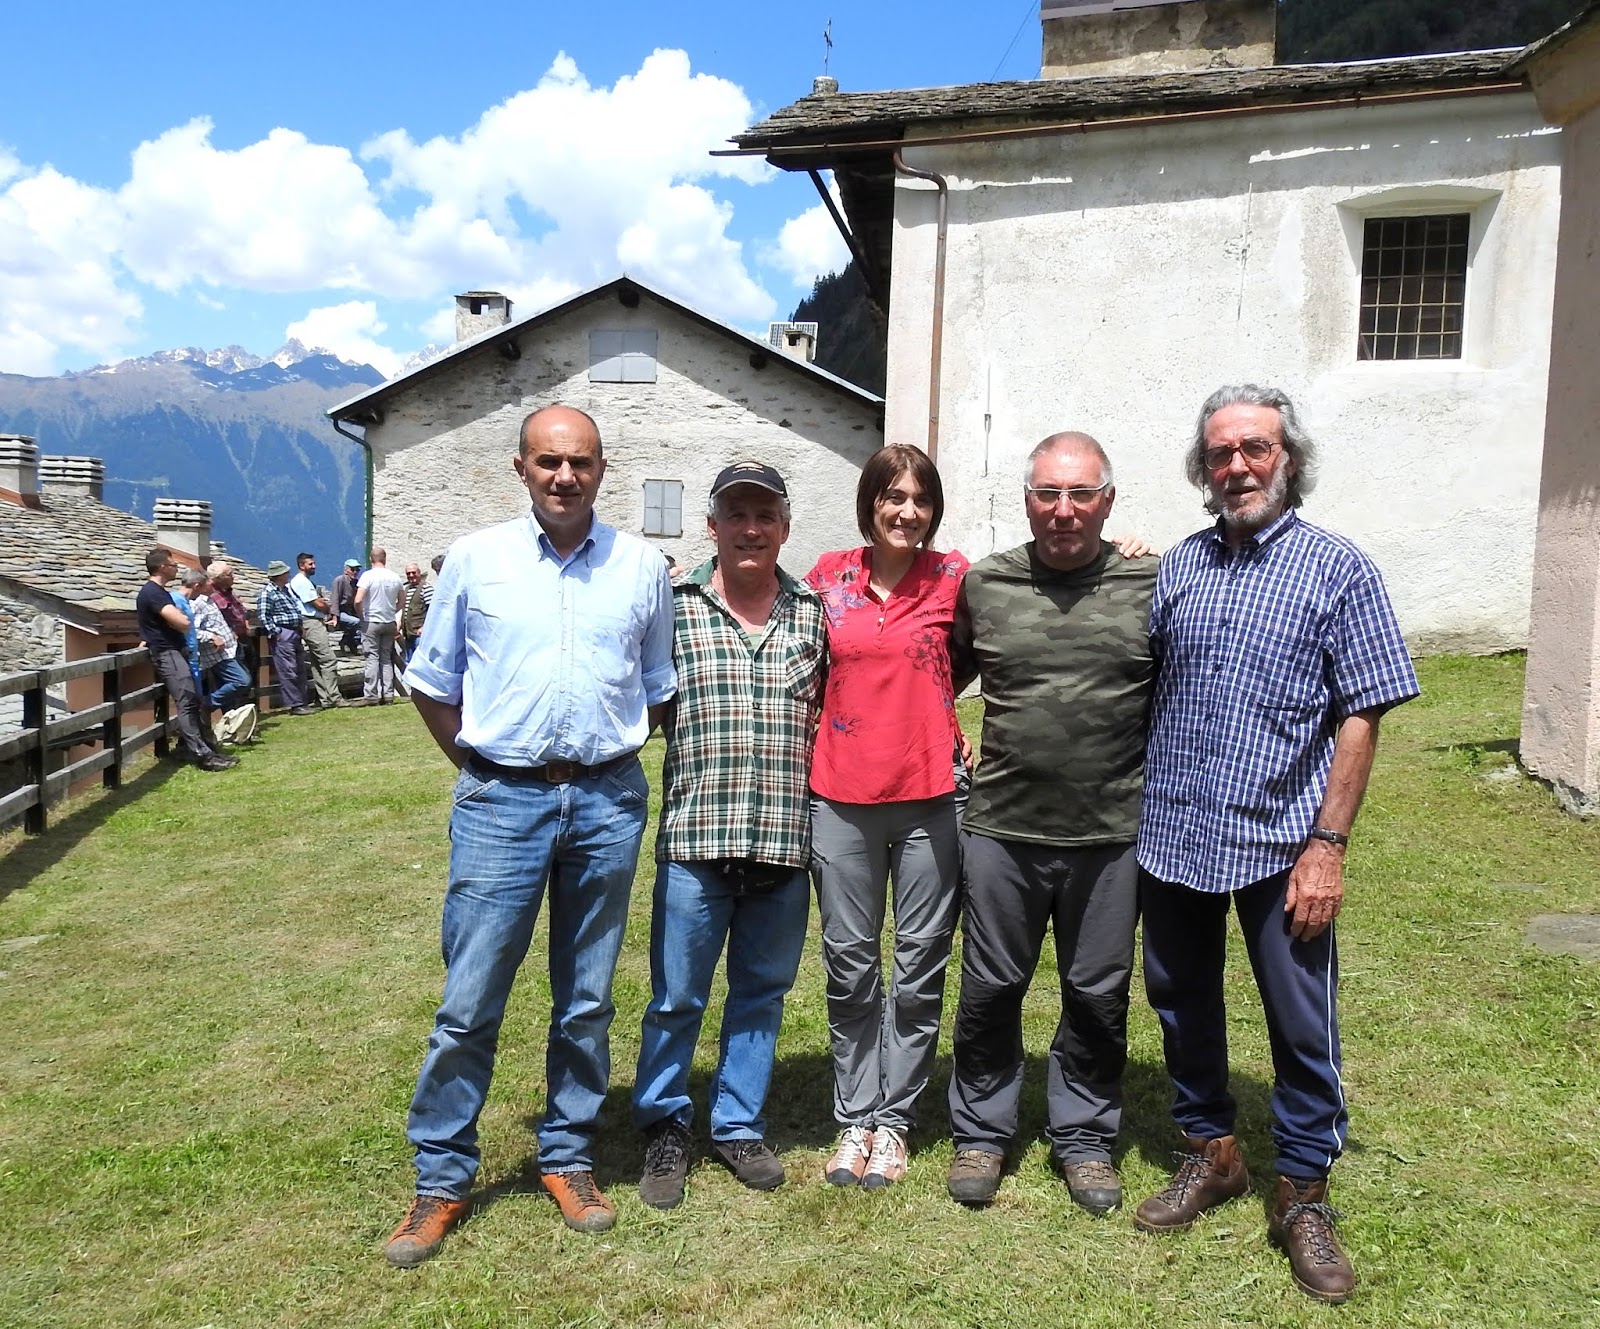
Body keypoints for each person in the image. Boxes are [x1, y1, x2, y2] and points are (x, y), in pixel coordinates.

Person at [1133, 385, 1419, 1304]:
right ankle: (1212, 1150)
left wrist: (1328, 844)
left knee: (1301, 1023)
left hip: (1280, 841)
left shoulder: (1339, 569)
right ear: (1202, 467)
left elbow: (1362, 710)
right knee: (1181, 1001)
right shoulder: (1179, 567)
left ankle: (1302, 1193)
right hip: (1175, 831)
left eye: (1255, 448)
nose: (1237, 467)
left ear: (1288, 456)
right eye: (1221, 453)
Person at [384, 404, 675, 1268]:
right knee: (470, 999)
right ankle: (441, 1176)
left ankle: (568, 1155)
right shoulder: (477, 559)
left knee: (586, 998)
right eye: (548, 462)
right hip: (501, 803)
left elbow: (656, 688)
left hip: (606, 801)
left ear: (602, 468)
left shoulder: (640, 567)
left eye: (580, 462)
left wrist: (597, 759)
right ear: (520, 468)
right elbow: (430, 682)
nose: (564, 477)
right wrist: (480, 767)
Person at [943, 432, 1157, 1216]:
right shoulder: (986, 584)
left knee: (1097, 992)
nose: (1062, 510)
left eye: (1080, 494)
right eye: (1046, 493)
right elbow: (935, 671)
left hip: (1112, 832)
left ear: (1107, 500)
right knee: (991, 987)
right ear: (1026, 498)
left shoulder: (1150, 581)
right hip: (1003, 826)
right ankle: (981, 1130)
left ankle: (1086, 1136)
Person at [632, 461, 827, 1210]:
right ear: (711, 525)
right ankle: (663, 1123)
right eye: (735, 513)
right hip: (696, 836)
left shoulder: (813, 612)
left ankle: (738, 1121)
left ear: (783, 524)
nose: (751, 527)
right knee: (676, 995)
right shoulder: (674, 607)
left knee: (762, 993)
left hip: (783, 837)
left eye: (765, 514)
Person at [802, 444, 969, 1189]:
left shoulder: (955, 579)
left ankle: (894, 1121)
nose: (907, 510)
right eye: (892, 496)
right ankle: (854, 1114)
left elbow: (982, 649)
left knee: (920, 963)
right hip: (840, 794)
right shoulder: (826, 577)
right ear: (869, 501)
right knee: (849, 962)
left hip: (933, 793)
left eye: (920, 498)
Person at [136, 548, 235, 772]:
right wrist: (178, 620)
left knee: (191, 700)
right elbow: (182, 622)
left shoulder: (158, 592)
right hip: (167, 653)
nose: (176, 568)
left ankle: (203, 750)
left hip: (172, 652)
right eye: (172, 564)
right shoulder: (153, 593)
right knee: (187, 700)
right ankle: (201, 755)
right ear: (162, 567)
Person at [191, 569, 257, 742]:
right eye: (208, 583)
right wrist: (212, 637)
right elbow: (193, 631)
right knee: (242, 681)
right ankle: (208, 703)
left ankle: (234, 729)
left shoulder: (210, 601)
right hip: (217, 655)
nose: (211, 585)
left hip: (230, 649)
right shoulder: (198, 604)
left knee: (240, 687)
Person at [256, 560, 315, 716]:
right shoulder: (268, 592)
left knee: (299, 668)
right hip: (284, 634)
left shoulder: (285, 591)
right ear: (280, 575)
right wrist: (277, 632)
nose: (289, 574)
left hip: (294, 632)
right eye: (286, 572)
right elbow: (264, 616)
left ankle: (302, 702)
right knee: (288, 669)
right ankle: (295, 704)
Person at [290, 552, 341, 709]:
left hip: (311, 622)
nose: (314, 566)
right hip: (311, 622)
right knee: (328, 659)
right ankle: (334, 697)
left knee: (317, 662)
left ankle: (324, 698)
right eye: (310, 564)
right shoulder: (301, 581)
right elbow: (316, 603)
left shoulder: (304, 581)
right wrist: (328, 608)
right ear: (301, 565)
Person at [356, 548, 404, 703]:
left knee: (372, 658)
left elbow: (358, 600)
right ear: (385, 559)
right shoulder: (395, 577)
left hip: (372, 620)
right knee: (386, 658)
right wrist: (392, 611)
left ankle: (371, 695)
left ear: (371, 559)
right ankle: (388, 694)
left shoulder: (367, 576)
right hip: (389, 621)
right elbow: (402, 601)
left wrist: (361, 615)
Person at [206, 561, 254, 678]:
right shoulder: (211, 595)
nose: (234, 577)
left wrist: (246, 623)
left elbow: (242, 611)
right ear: (219, 578)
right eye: (230, 574)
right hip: (230, 643)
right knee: (241, 677)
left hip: (244, 638)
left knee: (251, 670)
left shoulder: (229, 592)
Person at [331, 558, 363, 653]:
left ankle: (351, 641)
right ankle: (347, 640)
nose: (355, 572)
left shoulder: (356, 583)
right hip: (341, 612)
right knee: (355, 622)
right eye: (352, 569)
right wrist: (334, 616)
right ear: (346, 570)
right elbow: (335, 599)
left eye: (357, 570)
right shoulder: (339, 580)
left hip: (351, 611)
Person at [399, 563, 429, 661]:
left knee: (420, 663)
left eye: (413, 573)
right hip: (408, 635)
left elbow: (433, 611)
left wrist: (424, 627)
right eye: (408, 574)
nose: (411, 575)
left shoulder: (426, 588)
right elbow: (404, 611)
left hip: (420, 636)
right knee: (409, 662)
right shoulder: (406, 589)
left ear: (419, 573)